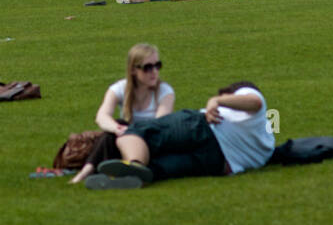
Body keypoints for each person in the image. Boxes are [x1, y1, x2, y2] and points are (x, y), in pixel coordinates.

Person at [93, 80, 275, 188]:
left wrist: (217, 100)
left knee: (138, 131)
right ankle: (130, 179)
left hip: (201, 128)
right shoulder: (266, 150)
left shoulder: (248, 96)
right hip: (215, 164)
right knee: (159, 168)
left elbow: (254, 101)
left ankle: (134, 165)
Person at [72, 43, 175, 186]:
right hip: (125, 142)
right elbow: (101, 116)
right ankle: (91, 172)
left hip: (152, 144)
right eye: (147, 67)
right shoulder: (120, 88)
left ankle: (97, 171)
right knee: (110, 132)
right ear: (133, 70)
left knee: (120, 126)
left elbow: (160, 125)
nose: (154, 71)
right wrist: (117, 128)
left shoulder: (165, 92)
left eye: (157, 65)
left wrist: (131, 132)